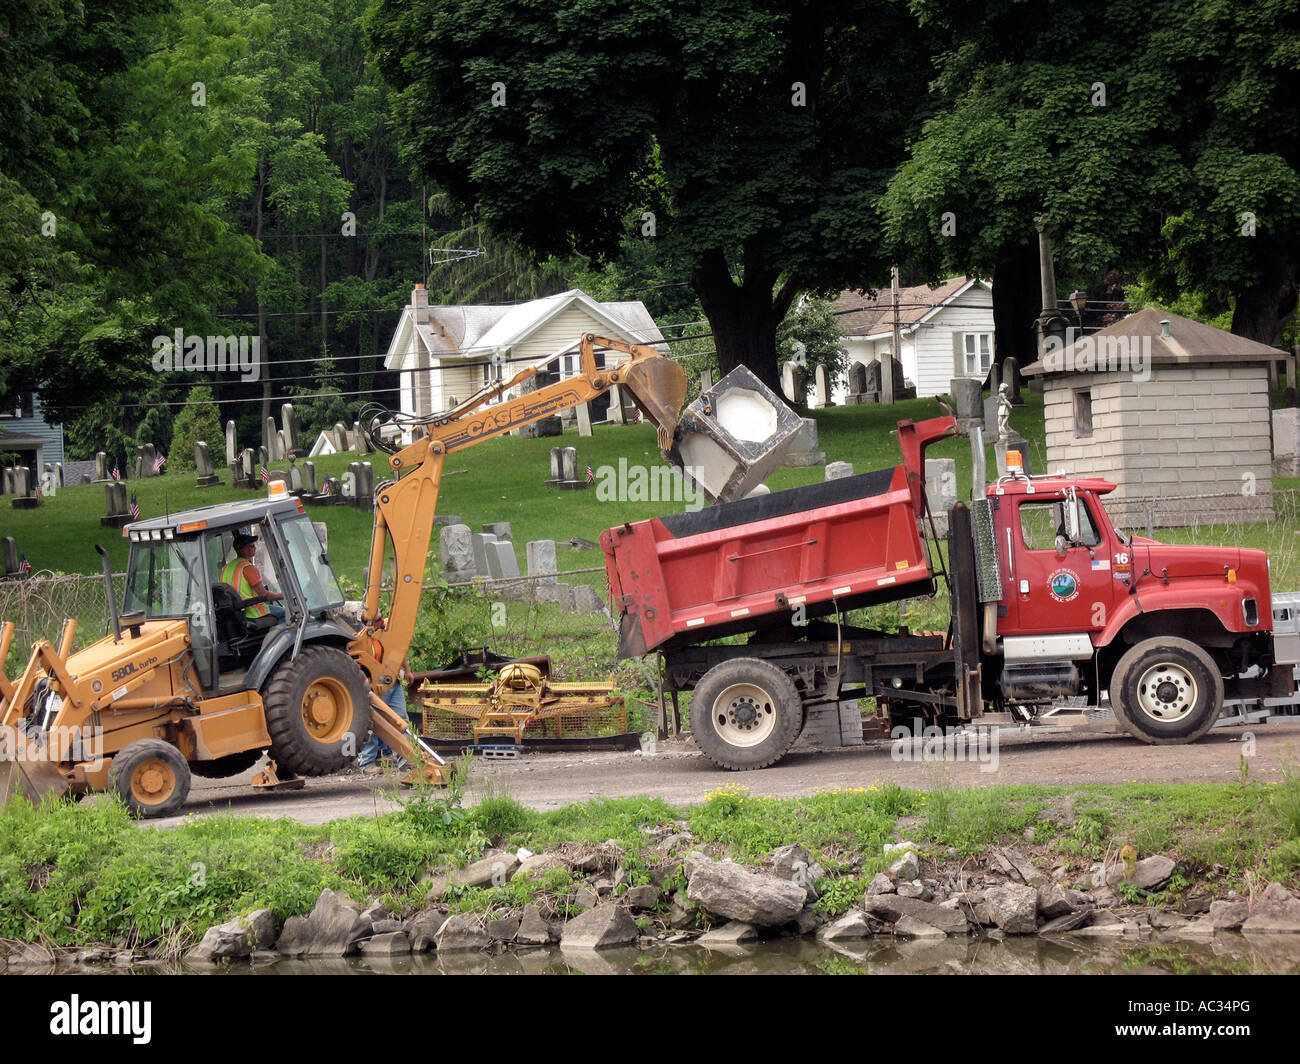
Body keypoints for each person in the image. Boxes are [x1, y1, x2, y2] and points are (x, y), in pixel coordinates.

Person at [360, 661, 414, 774]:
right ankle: (367, 762)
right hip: (375, 678)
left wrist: (407, 670)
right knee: (374, 719)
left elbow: (400, 649)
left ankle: (405, 760)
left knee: (401, 721)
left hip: (394, 679)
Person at [221, 531, 286, 622]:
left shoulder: (226, 567)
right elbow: (264, 594)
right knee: (285, 613)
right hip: (252, 611)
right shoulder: (248, 568)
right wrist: (284, 595)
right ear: (241, 549)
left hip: (236, 612)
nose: (254, 548)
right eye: (251, 546)